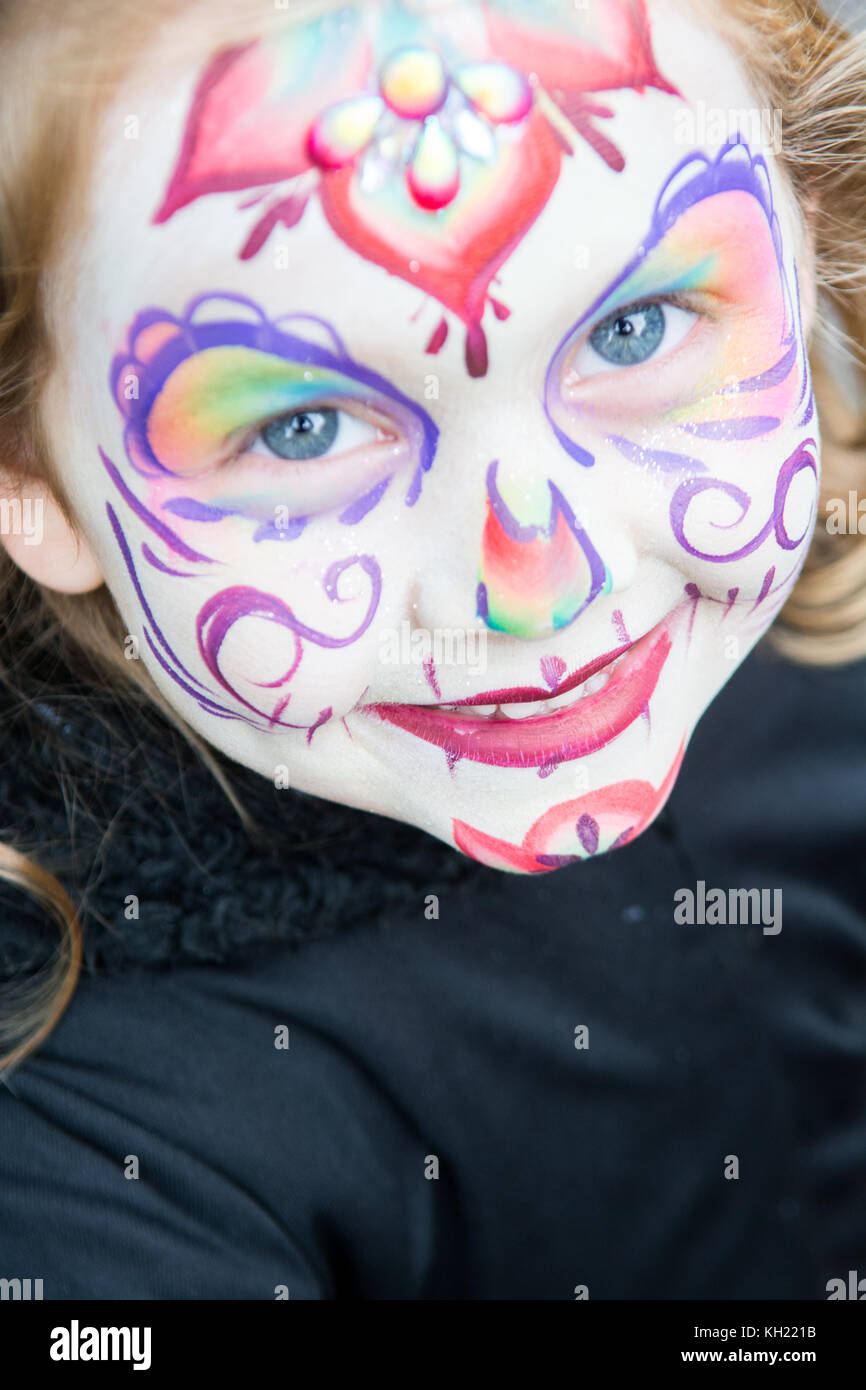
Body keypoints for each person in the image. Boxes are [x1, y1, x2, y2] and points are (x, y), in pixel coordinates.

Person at [0, 0, 864, 1299]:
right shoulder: (87, 1179)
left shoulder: (819, 643)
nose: (538, 591)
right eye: (300, 430)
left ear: (813, 228)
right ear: (29, 483)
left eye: (634, 328)